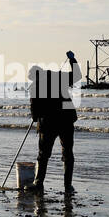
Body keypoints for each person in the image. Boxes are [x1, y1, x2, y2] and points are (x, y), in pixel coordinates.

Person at [28, 51, 79, 194]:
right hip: (66, 121)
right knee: (68, 153)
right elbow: (77, 76)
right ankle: (68, 187)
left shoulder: (34, 86)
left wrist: (35, 117)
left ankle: (38, 183)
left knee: (43, 154)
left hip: (48, 123)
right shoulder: (59, 77)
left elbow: (34, 112)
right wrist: (72, 60)